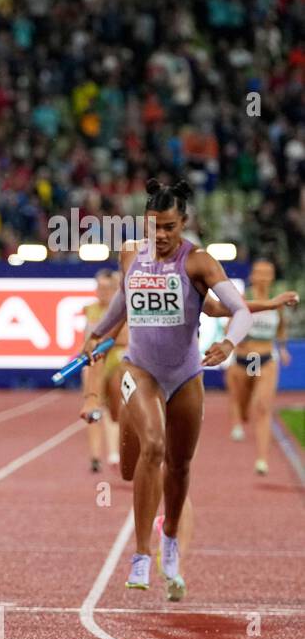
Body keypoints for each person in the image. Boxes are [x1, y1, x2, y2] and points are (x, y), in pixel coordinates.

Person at [81, 179, 252, 600]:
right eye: (154, 226)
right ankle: (141, 554)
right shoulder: (129, 254)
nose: (160, 235)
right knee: (153, 446)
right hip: (139, 368)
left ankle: (170, 539)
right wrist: (98, 333)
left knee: (179, 466)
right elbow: (122, 300)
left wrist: (229, 342)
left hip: (186, 374)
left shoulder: (199, 262)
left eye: (169, 228)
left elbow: (240, 310)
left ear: (184, 224)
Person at [223, 258, 294, 474]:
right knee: (244, 409)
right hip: (245, 360)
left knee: (263, 407)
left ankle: (262, 459)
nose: (263, 277)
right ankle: (240, 419)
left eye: (267, 273)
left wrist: (282, 348)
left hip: (265, 359)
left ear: (272, 277)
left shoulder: (276, 302)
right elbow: (229, 326)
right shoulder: (245, 299)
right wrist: (234, 339)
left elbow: (281, 327)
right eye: (259, 273)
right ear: (252, 276)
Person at [80, 269, 123, 472]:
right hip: (95, 363)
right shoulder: (89, 309)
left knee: (116, 411)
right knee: (93, 409)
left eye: (108, 288)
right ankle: (95, 456)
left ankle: (117, 451)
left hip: (115, 361)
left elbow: (126, 339)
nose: (102, 292)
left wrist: (103, 341)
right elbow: (86, 339)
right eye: (100, 287)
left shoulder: (121, 310)